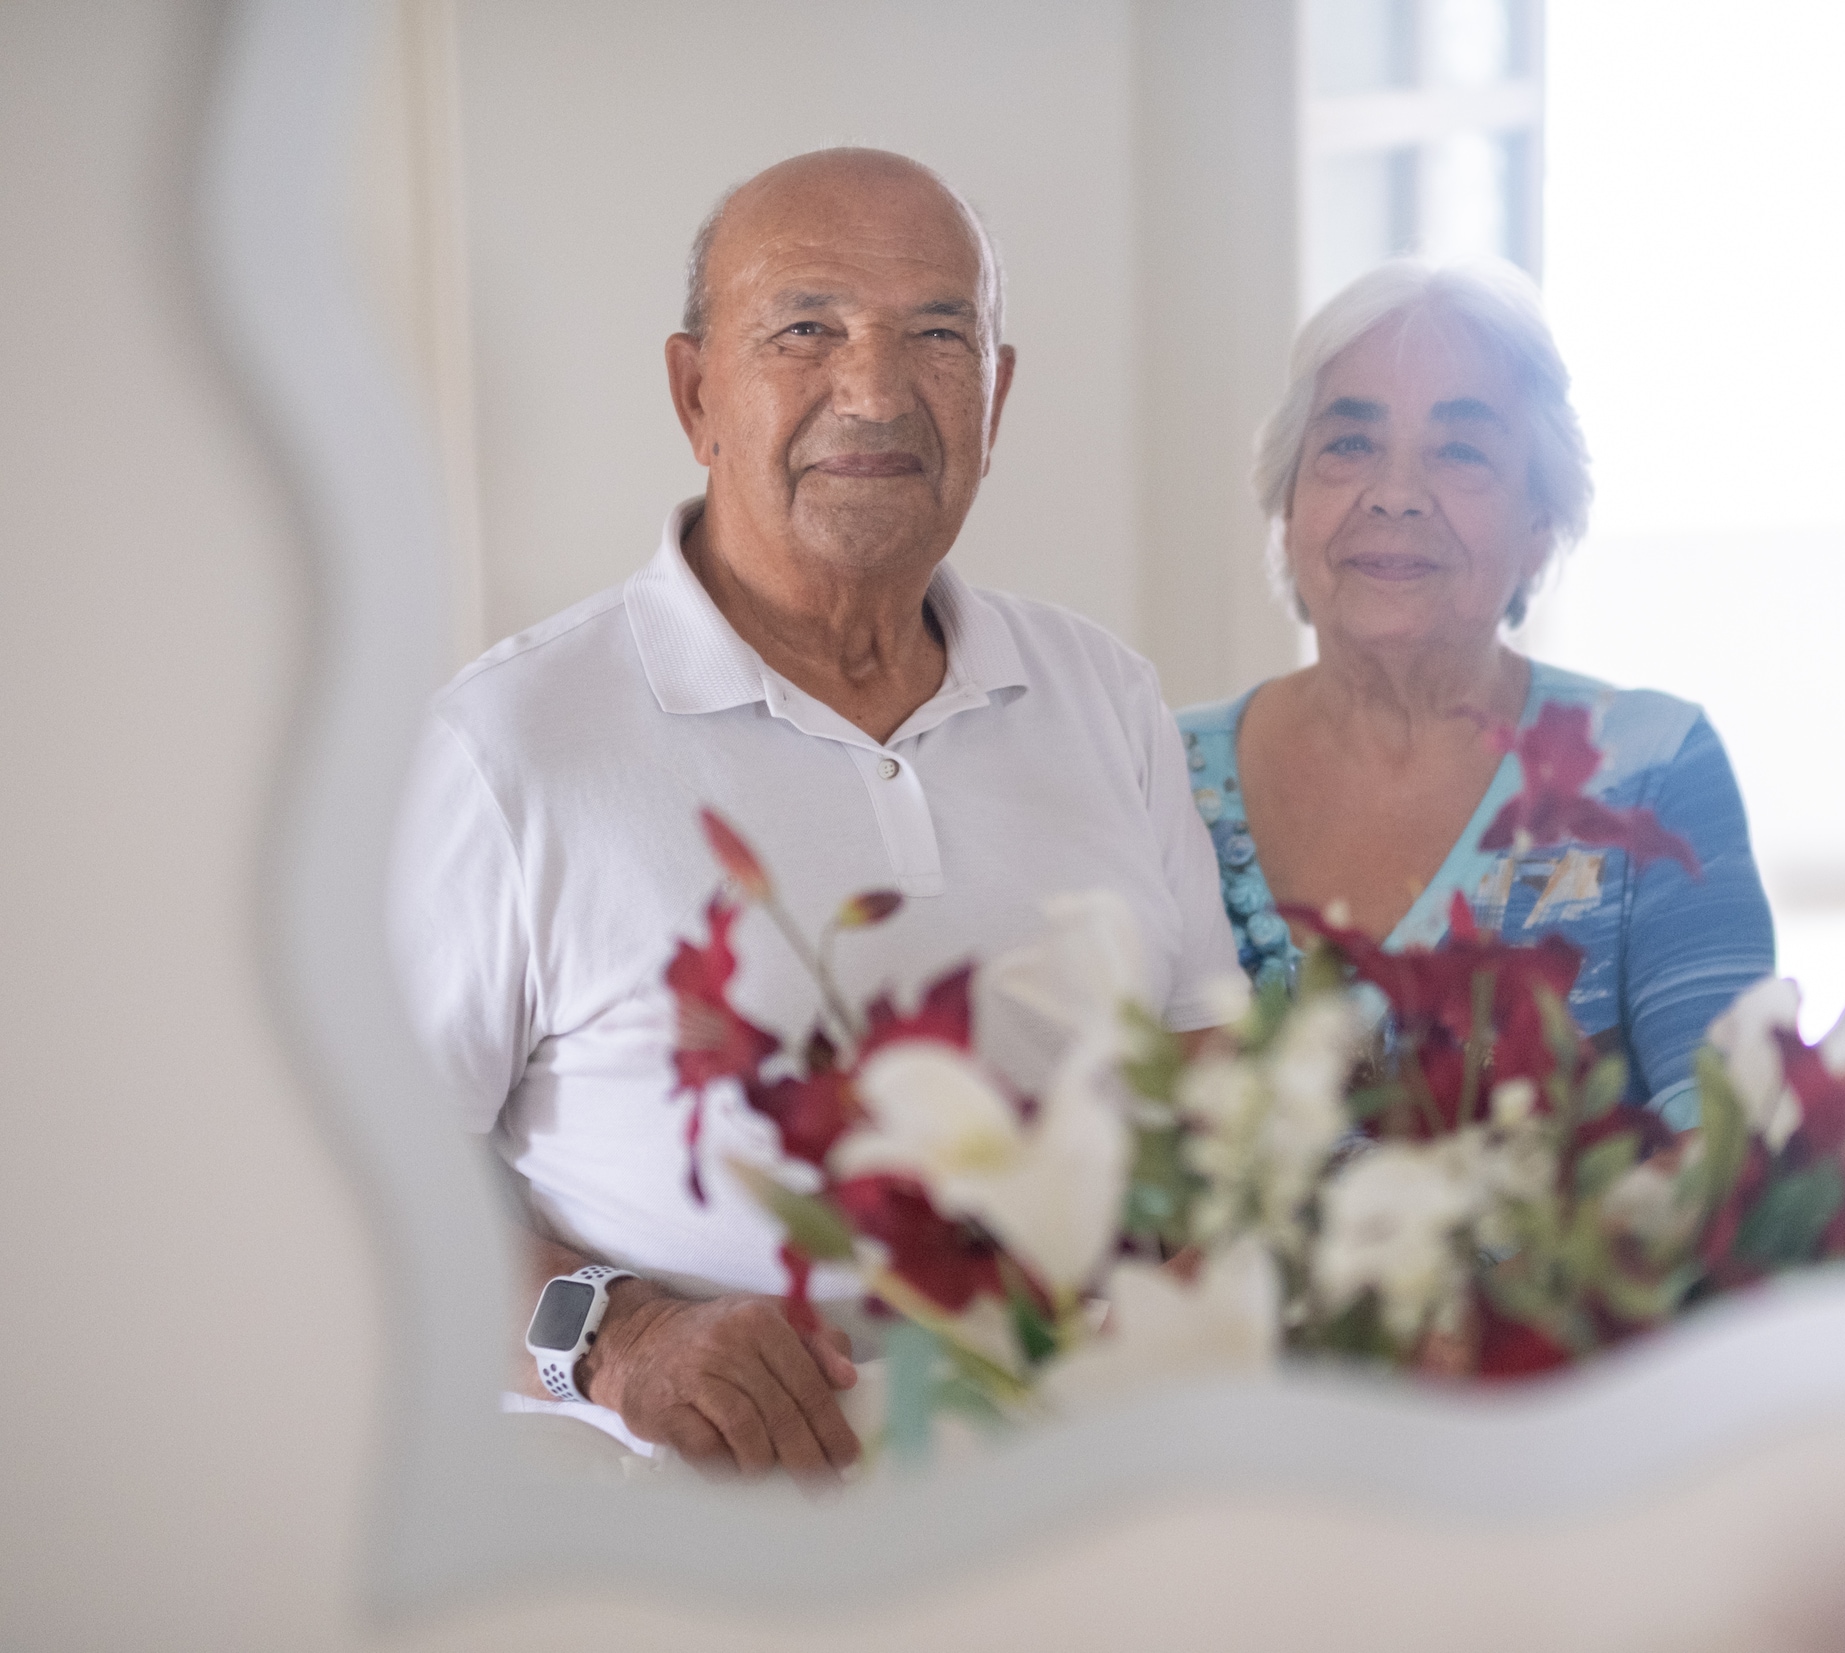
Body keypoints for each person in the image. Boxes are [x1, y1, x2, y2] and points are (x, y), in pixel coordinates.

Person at [390, 150, 1238, 1478]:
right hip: (706, 1532)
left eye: (939, 335)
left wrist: (1196, 1280)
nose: (876, 391)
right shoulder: (507, 743)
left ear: (997, 394)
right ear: (696, 394)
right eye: (806, 329)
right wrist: (618, 1337)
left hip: (1093, 1492)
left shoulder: (1104, 694)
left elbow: (1206, 1068)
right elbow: (353, 1191)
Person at [1179, 260, 1774, 1124]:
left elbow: (1728, 1151)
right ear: (1288, 505)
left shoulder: (1652, 769)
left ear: (1540, 526)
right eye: (1349, 444)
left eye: (1461, 452)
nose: (1395, 496)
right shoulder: (1158, 770)